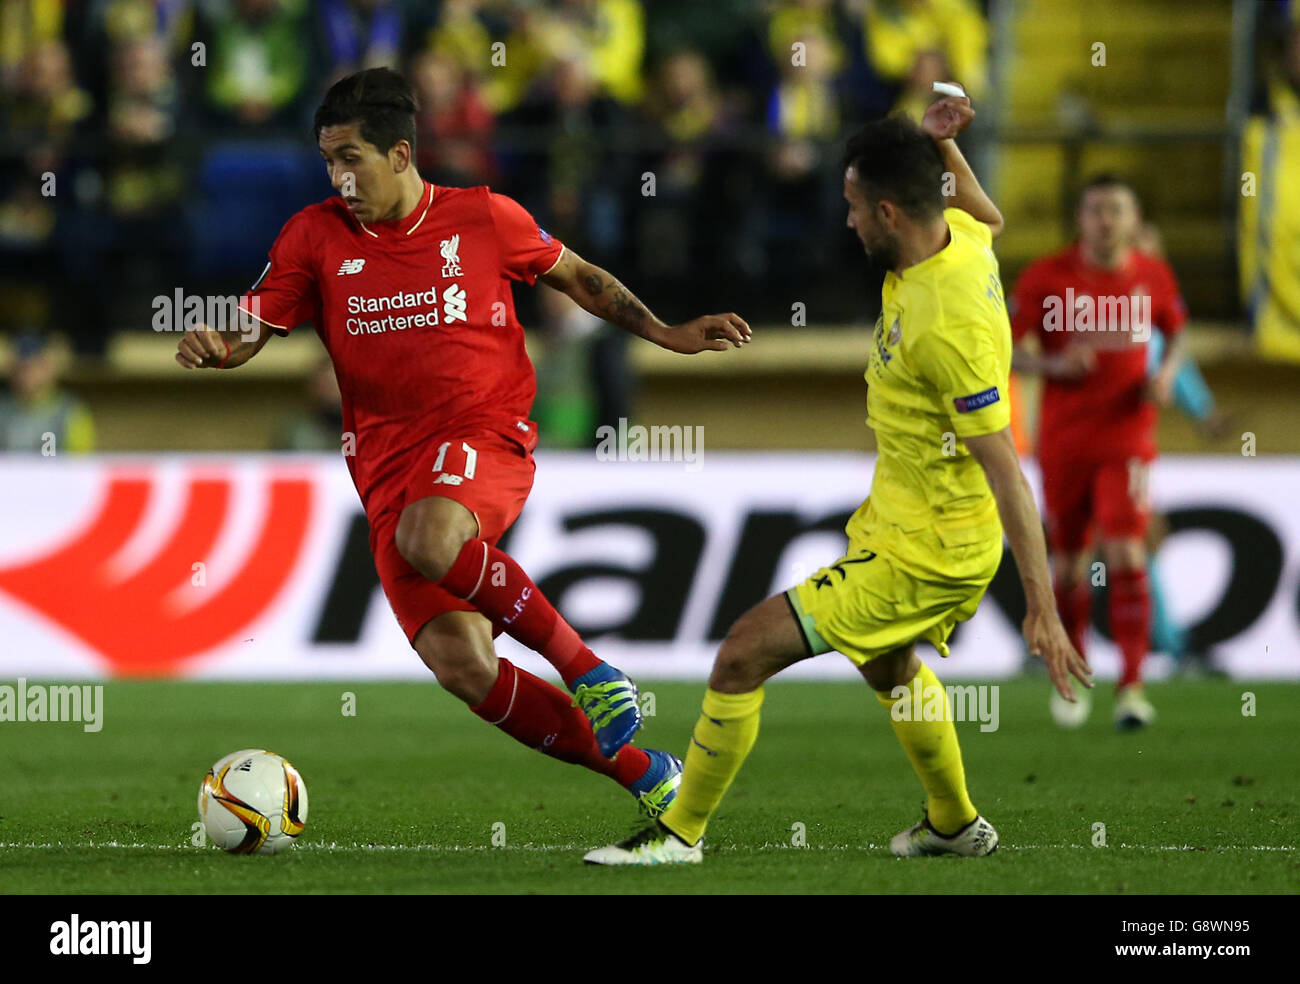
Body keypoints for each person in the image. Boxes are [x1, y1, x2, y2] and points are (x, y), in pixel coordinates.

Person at [175, 67, 751, 820]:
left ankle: (589, 669)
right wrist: (223, 345)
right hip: (385, 470)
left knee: (431, 533)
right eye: (328, 161)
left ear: (402, 156)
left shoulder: (485, 218)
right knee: (463, 665)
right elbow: (258, 324)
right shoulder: (312, 236)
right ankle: (647, 774)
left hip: (485, 434)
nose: (338, 177)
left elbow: (579, 278)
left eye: (351, 158)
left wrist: (667, 333)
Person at [585, 94, 1089, 865]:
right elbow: (988, 216)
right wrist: (940, 145)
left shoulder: (946, 323)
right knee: (888, 664)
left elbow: (1009, 474)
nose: (848, 222)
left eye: (855, 208)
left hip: (932, 545)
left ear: (889, 212)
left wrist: (1043, 611)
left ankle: (678, 832)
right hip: (902, 518)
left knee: (742, 653)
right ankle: (953, 826)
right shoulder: (959, 240)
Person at [1008, 175, 1188, 730]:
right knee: (1066, 561)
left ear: (1134, 220)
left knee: (1128, 552)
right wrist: (1053, 365)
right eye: (1095, 210)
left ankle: (1133, 687)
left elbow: (1178, 332)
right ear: (1080, 219)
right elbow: (1008, 351)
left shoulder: (1152, 274)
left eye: (1116, 209)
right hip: (1064, 443)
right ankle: (1073, 676)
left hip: (1128, 439)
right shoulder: (1047, 276)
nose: (1106, 220)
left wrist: (1164, 375)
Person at [0, 333, 95, 453]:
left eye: (37, 366)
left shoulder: (71, 412)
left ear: (51, 368)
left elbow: (81, 464)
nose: (29, 374)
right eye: (22, 367)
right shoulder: (3, 409)